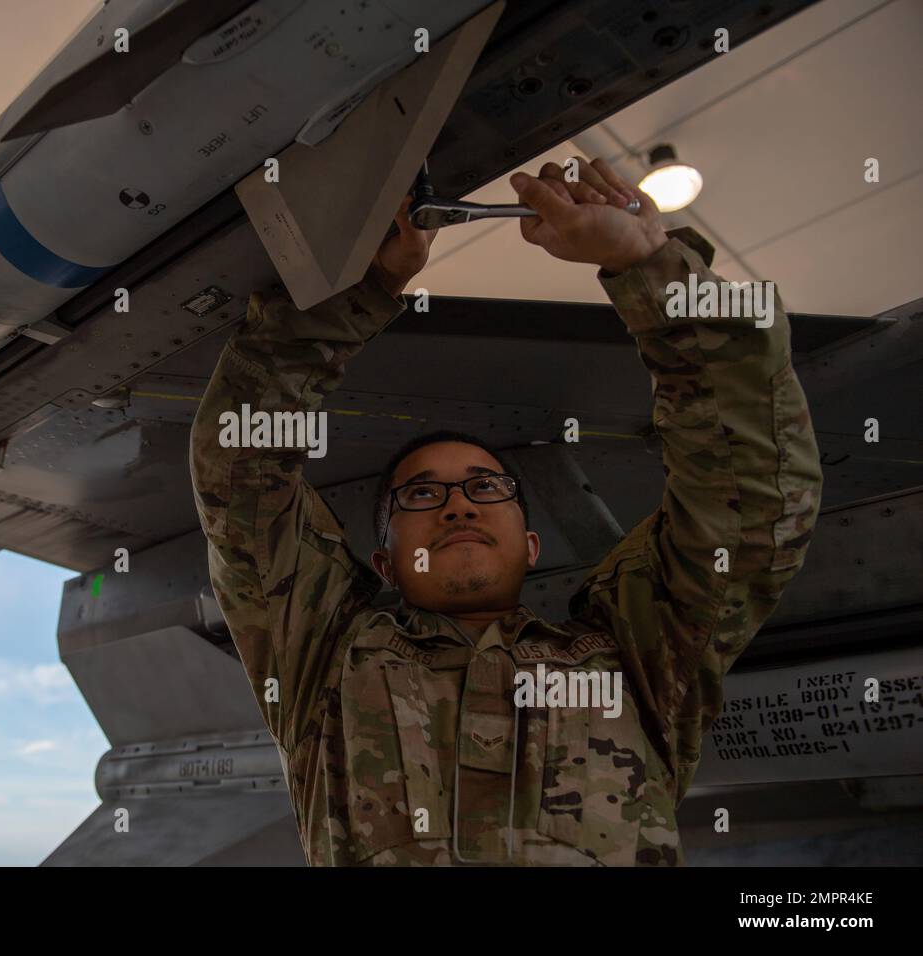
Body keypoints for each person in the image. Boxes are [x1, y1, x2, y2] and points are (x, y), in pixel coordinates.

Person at [188, 156, 822, 865]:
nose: (458, 505)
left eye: (486, 487)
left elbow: (754, 498)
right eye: (422, 494)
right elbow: (239, 472)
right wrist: (363, 291)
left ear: (530, 543)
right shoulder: (326, 662)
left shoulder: (642, 660)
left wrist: (648, 266)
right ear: (384, 561)